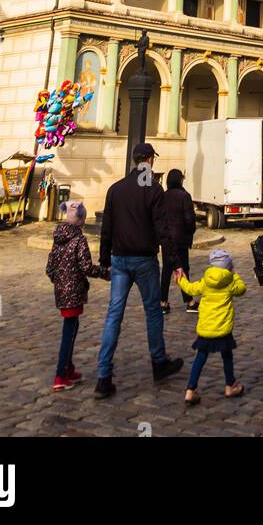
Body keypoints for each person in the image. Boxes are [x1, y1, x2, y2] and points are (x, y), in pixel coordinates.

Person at [95, 142, 183, 399]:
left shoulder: (116, 189)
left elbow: (106, 228)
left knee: (114, 315)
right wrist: (175, 262)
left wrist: (103, 260)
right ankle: (158, 362)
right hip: (144, 260)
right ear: (149, 160)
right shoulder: (153, 190)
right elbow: (162, 230)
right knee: (153, 312)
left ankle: (103, 376)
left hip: (120, 259)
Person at [46, 199, 106, 391]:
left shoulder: (58, 238)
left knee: (72, 328)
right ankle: (60, 375)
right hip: (73, 291)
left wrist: (59, 282)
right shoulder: (79, 239)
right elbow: (86, 266)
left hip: (62, 292)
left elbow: (50, 268)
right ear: (80, 219)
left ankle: (69, 368)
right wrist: (106, 273)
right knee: (68, 333)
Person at [177, 248, 246, 404]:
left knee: (200, 357)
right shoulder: (230, 282)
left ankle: (190, 390)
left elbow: (190, 289)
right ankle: (230, 385)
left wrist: (180, 279)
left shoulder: (205, 282)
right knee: (227, 355)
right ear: (228, 268)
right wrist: (235, 275)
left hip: (206, 328)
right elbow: (242, 289)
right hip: (222, 328)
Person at [159, 169, 197, 314]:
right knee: (184, 269)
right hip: (180, 239)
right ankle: (189, 301)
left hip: (166, 239)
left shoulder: (163, 196)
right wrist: (190, 232)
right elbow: (189, 219)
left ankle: (163, 301)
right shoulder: (184, 196)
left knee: (167, 270)